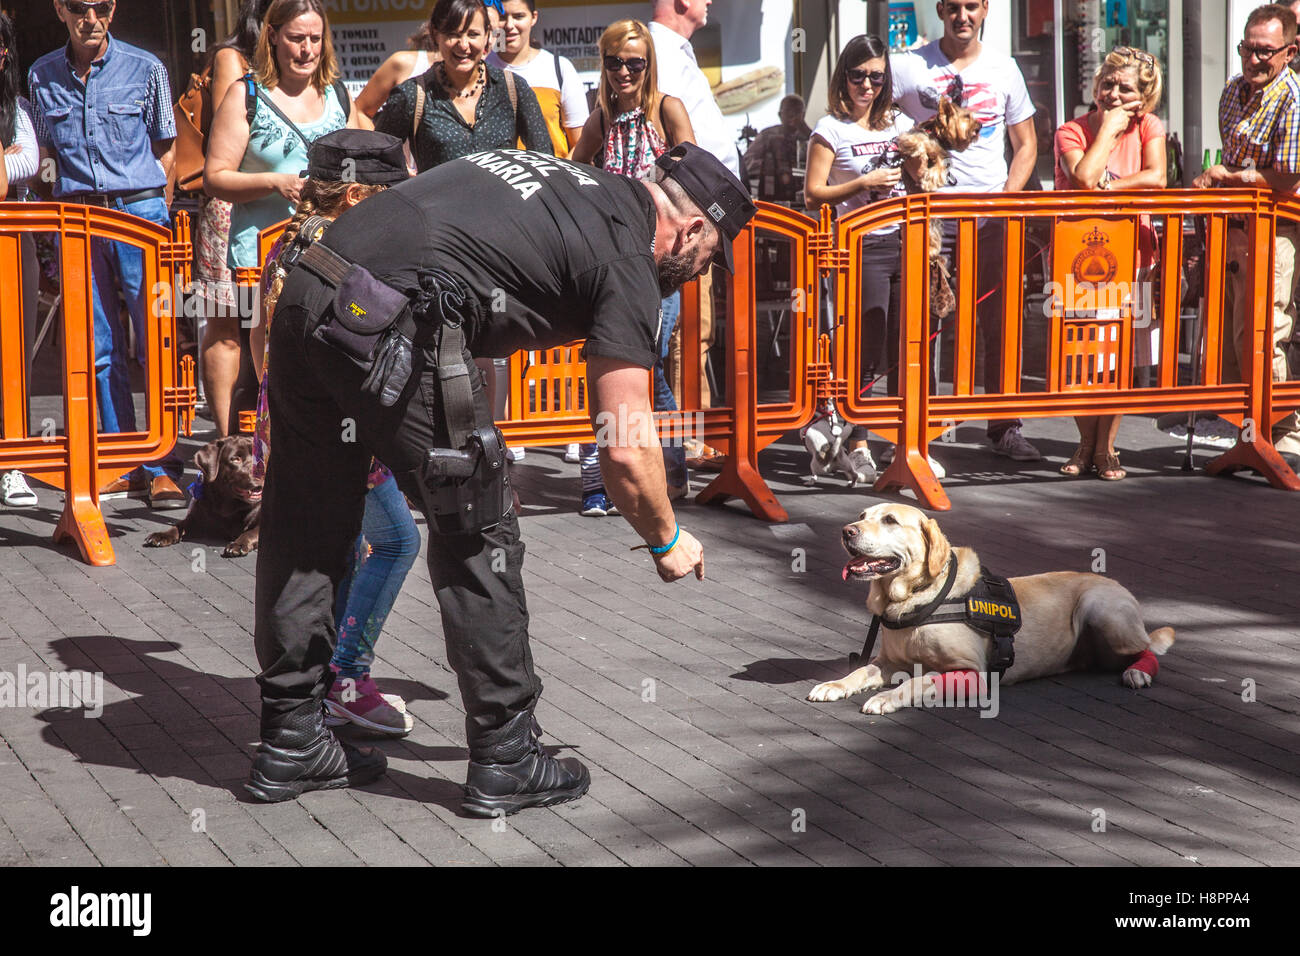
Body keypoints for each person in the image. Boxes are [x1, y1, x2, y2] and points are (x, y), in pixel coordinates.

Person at [247, 141, 755, 815]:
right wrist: (666, 537)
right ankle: (507, 756)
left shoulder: (576, 183)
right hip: (394, 313)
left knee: (305, 517)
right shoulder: (627, 256)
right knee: (476, 525)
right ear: (690, 230)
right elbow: (626, 447)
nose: (700, 273)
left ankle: (291, 740)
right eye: (710, 256)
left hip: (311, 284)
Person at [254, 130, 418, 735]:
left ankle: (324, 683)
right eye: (388, 194)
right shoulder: (346, 258)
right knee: (395, 542)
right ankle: (345, 677)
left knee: (337, 547)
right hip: (339, 425)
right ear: (353, 195)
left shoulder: (288, 243)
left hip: (290, 415)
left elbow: (261, 340)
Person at [374, 0, 554, 448]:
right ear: (435, 35)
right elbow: (378, 164)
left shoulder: (513, 89)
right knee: (446, 346)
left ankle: (489, 446)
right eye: (453, 33)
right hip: (441, 249)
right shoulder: (412, 96)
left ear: (489, 37)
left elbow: (545, 164)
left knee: (492, 345)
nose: (464, 44)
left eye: (473, 33)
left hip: (504, 247)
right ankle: (448, 446)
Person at [27, 0, 186, 507]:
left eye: (101, 6)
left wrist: (155, 212)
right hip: (77, 218)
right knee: (97, 346)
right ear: (60, 10)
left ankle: (162, 464)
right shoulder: (41, 74)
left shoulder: (147, 68)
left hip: (139, 213)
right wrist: (53, 216)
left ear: (113, 8)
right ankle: (123, 459)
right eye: (79, 7)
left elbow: (167, 151)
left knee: (155, 339)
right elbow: (46, 156)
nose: (90, 18)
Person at [890, 0, 1043, 464]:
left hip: (989, 217)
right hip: (931, 218)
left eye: (971, 6)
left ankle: (1005, 427)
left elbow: (1026, 144)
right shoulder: (909, 65)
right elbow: (874, 116)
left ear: (985, 9)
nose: (963, 15)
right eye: (953, 6)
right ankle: (916, 431)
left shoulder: (1003, 68)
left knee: (999, 320)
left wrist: (1007, 201)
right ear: (940, 9)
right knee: (922, 322)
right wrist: (907, 153)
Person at [570, 18, 695, 515]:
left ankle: (668, 471)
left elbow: (696, 169)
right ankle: (649, 474)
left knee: (649, 360)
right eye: (614, 62)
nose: (623, 72)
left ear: (649, 65)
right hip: (617, 260)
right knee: (634, 363)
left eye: (634, 63)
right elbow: (575, 166)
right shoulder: (601, 118)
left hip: (661, 260)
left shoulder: (667, 109)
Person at [804, 35, 925, 483]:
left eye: (876, 77)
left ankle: (904, 443)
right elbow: (812, 193)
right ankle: (857, 444)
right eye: (858, 76)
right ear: (844, 77)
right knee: (864, 351)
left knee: (903, 347)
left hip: (903, 242)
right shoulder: (830, 128)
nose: (867, 86)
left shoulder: (898, 122)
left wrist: (918, 163)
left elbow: (921, 171)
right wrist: (862, 183)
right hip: (860, 246)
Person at [204, 0, 367, 308]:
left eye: (315, 39)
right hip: (261, 259)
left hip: (331, 257)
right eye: (296, 38)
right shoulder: (246, 94)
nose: (307, 50)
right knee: (264, 339)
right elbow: (214, 179)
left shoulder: (338, 94)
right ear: (273, 36)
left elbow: (358, 169)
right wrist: (276, 182)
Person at [1194, 3, 1300, 472]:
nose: (1253, 59)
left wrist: (1231, 176)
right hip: (1236, 227)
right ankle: (1249, 435)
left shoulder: (1293, 99)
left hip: (1276, 229)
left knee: (1268, 332)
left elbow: (1288, 176)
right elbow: (1235, 157)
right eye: (1246, 49)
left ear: (1290, 52)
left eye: (1264, 51)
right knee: (1239, 336)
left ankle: (1283, 434)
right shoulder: (1232, 90)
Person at [1055, 47, 1167, 482]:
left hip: (1133, 257)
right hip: (1082, 261)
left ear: (1144, 97)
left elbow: (1157, 177)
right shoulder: (1071, 131)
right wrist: (1108, 129)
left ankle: (1106, 448)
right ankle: (1085, 443)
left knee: (1119, 360)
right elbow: (1083, 177)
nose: (1114, 94)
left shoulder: (1150, 126)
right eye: (1108, 84)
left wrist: (1110, 186)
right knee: (1083, 359)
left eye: (1126, 89)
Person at [650, 0, 733, 462]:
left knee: (693, 332)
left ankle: (686, 437)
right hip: (685, 218)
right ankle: (684, 438)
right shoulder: (660, 48)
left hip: (699, 216)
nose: (710, 2)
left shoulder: (675, 48)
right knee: (683, 332)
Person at [193, 0, 273, 439]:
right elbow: (229, 149)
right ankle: (226, 440)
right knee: (225, 324)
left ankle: (267, 433)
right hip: (229, 206)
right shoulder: (232, 57)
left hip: (277, 207)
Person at [1, 13, 42, 509]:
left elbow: (29, 161)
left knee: (14, 350)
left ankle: (13, 462)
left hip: (13, 242)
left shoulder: (17, 107)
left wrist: (7, 160)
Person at [488, 0, 589, 158]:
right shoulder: (481, 67)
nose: (509, 25)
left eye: (518, 16)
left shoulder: (559, 68)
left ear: (533, 17)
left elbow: (581, 143)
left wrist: (557, 171)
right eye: (502, 17)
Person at [743, 94, 812, 205]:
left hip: (802, 201)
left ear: (803, 114)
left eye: (797, 111)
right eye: (788, 111)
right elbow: (747, 162)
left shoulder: (810, 138)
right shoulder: (767, 136)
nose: (792, 115)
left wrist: (807, 132)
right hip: (772, 199)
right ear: (780, 114)